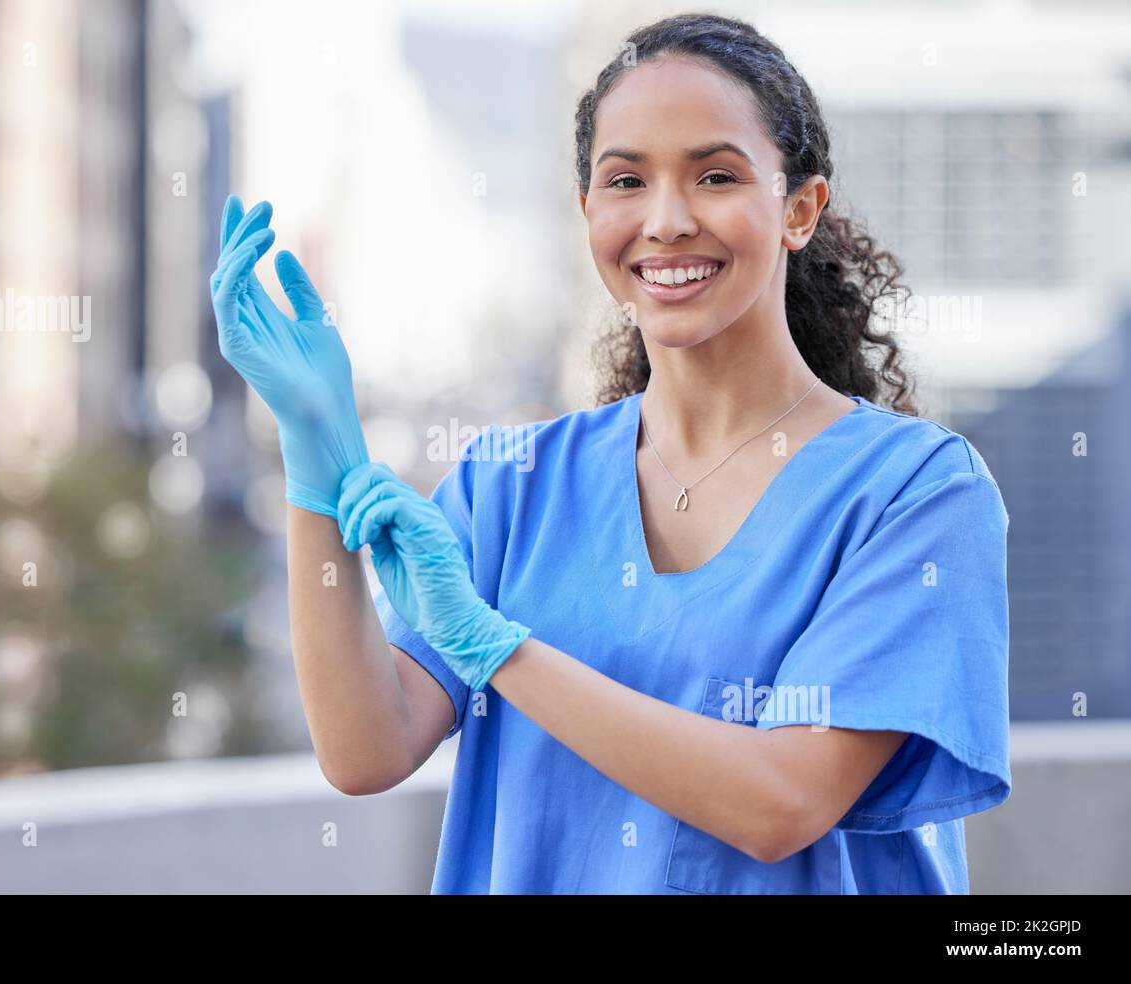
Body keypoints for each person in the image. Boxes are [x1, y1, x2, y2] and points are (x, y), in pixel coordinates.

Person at [209, 12, 1011, 894]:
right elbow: (365, 749)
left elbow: (782, 804)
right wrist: (315, 450)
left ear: (799, 208)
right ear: (589, 211)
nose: (665, 221)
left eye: (714, 175)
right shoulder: (512, 485)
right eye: (626, 180)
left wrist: (495, 649)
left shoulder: (917, 494)